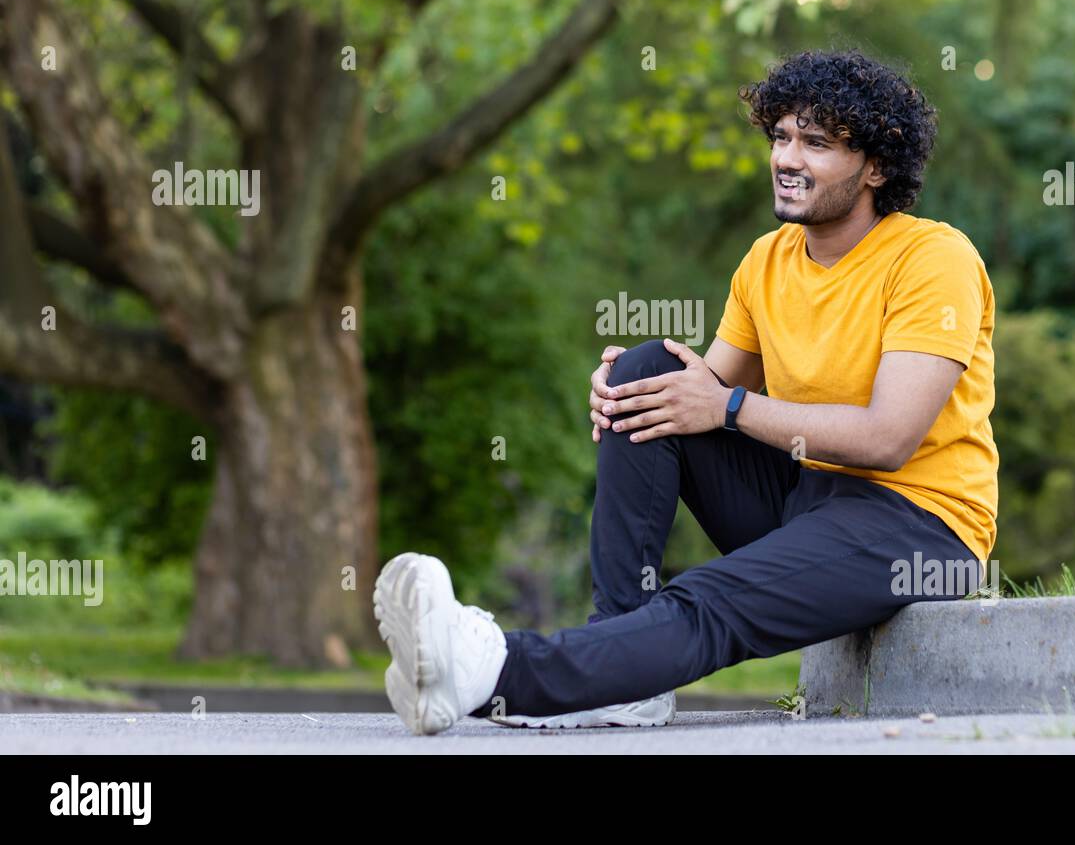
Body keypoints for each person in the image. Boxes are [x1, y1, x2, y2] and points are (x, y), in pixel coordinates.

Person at [374, 48, 999, 734]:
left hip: (917, 526)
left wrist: (726, 406)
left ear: (876, 166)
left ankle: (497, 672)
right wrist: (624, 392)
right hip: (807, 497)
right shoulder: (768, 260)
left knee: (711, 596)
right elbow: (696, 392)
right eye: (781, 136)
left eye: (816, 143)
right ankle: (621, 669)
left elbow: (888, 438)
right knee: (642, 373)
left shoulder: (932, 259)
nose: (788, 158)